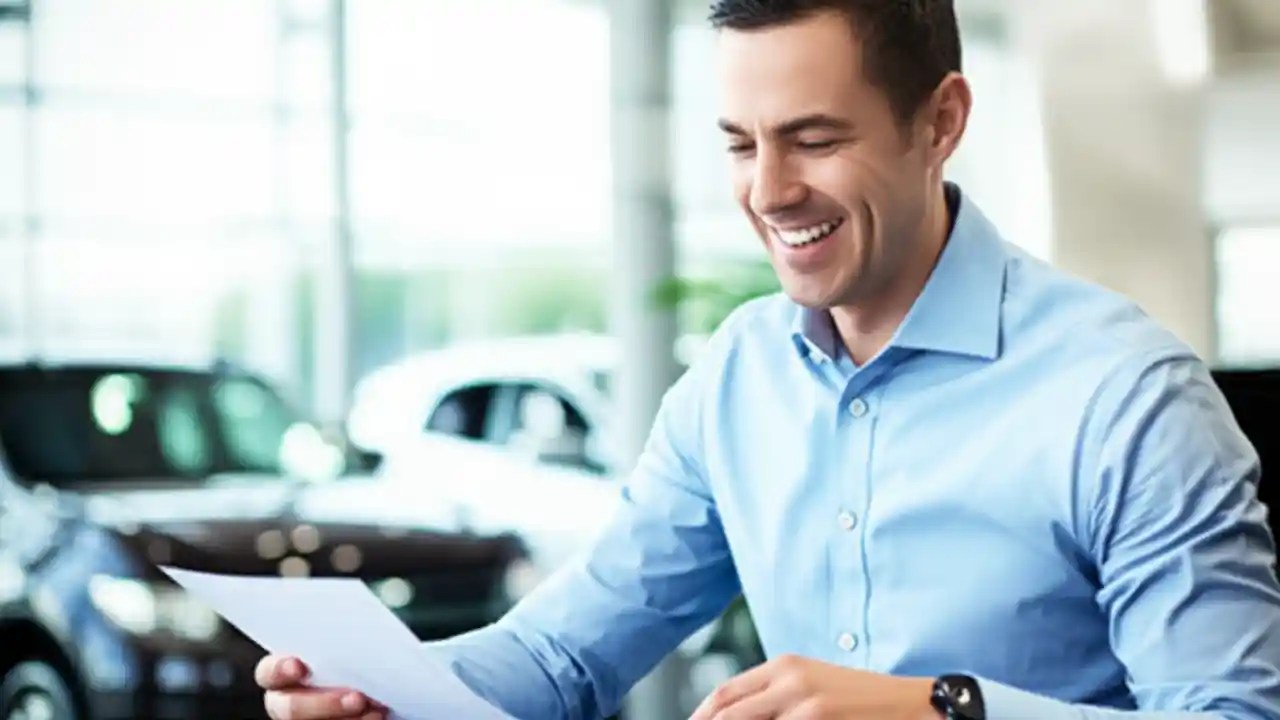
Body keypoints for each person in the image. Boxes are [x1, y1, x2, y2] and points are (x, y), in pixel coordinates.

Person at [255, 1, 1280, 718]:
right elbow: (560, 655)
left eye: (814, 139)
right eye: (741, 144)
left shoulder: (1125, 399)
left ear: (941, 122)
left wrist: (938, 710)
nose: (769, 191)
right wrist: (378, 686)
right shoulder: (735, 380)